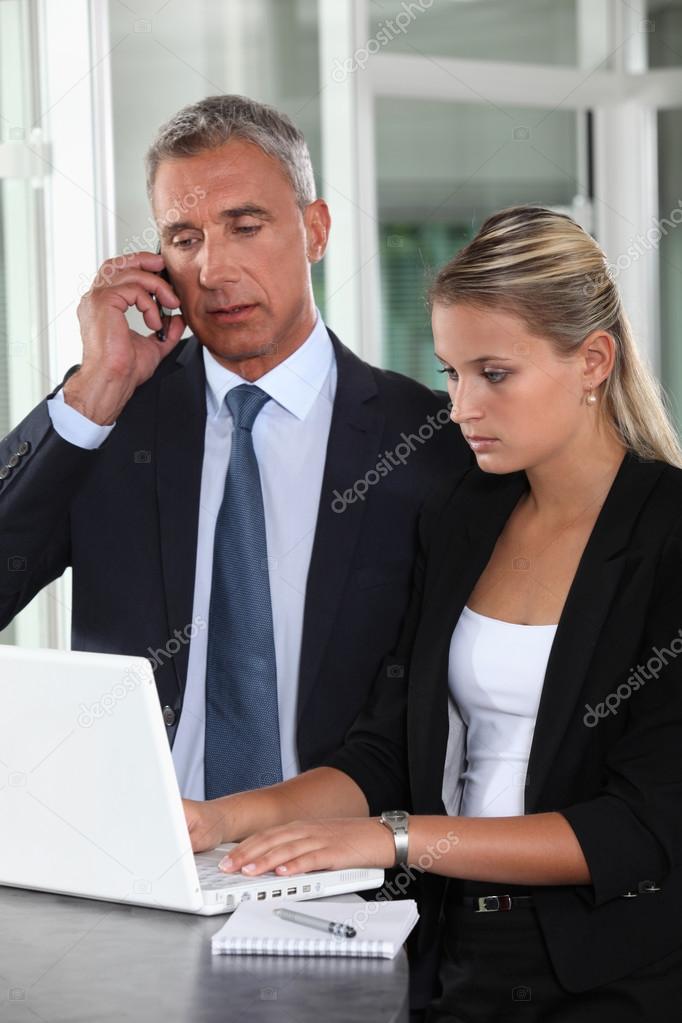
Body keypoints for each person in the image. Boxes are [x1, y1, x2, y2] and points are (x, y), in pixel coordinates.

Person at [183, 206, 682, 1021]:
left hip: (622, 976)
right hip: (453, 955)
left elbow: (641, 826)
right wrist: (219, 819)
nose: (460, 408)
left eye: (494, 373)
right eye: (451, 373)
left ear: (593, 361)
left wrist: (400, 837)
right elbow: (387, 753)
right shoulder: (462, 516)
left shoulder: (667, 538)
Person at [0, 94, 470, 800]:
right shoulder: (110, 417)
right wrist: (93, 391)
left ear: (316, 230)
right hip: (138, 861)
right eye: (184, 238)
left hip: (340, 870)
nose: (213, 270)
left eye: (245, 227)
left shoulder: (429, 441)